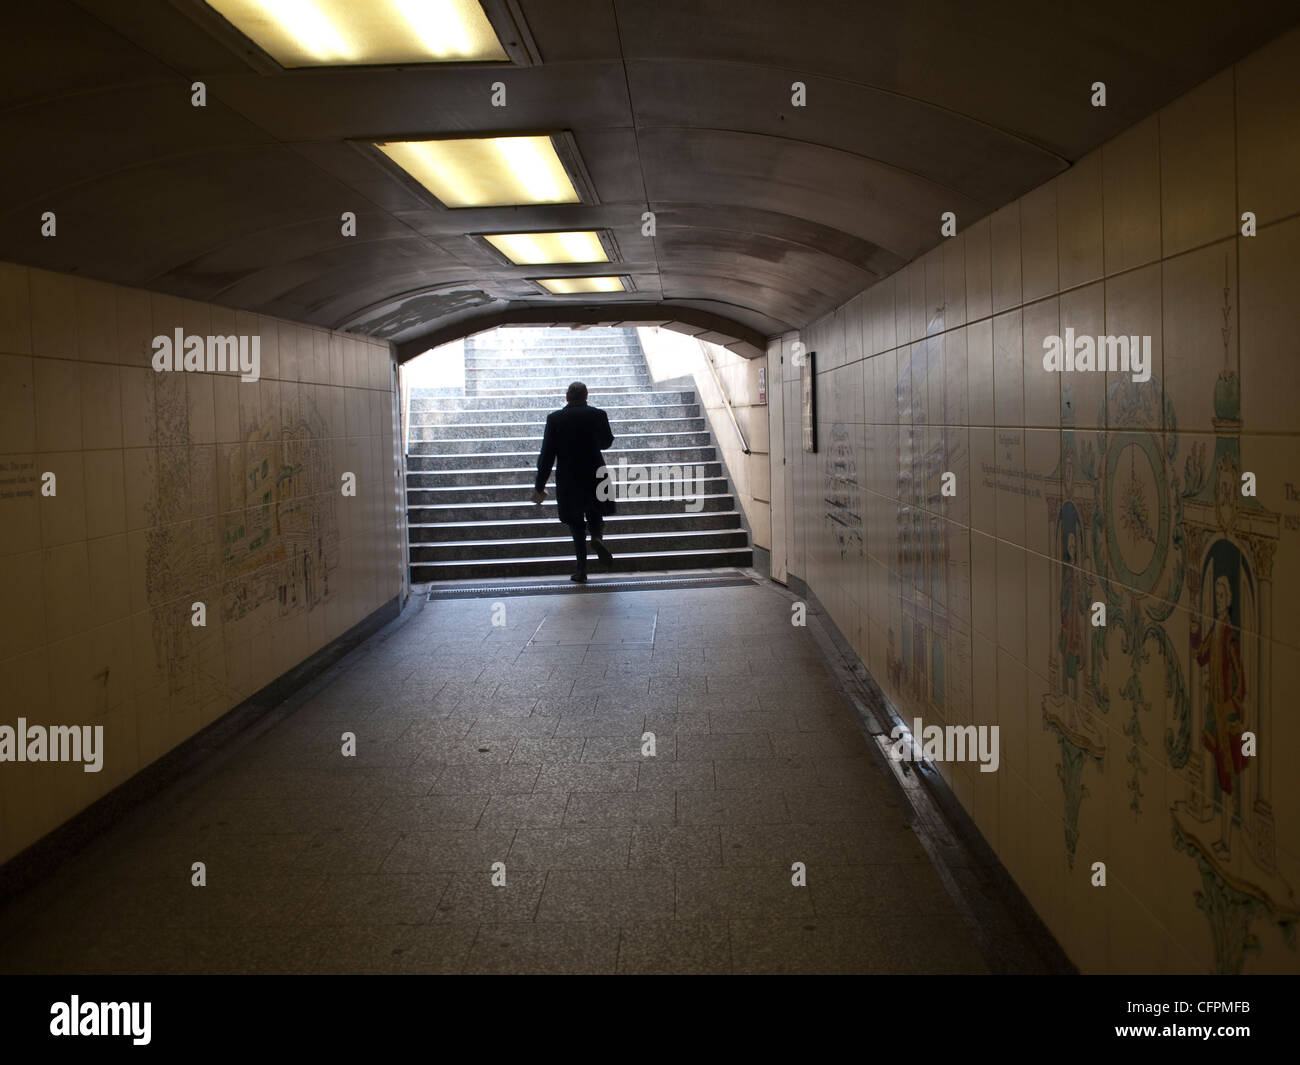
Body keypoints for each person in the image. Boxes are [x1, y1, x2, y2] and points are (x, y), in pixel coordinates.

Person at [532, 381, 616, 583]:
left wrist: (539, 484)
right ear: (586, 396)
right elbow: (606, 443)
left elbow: (547, 454)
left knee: (576, 524)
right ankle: (596, 537)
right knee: (596, 513)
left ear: (567, 397)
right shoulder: (598, 414)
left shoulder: (555, 419)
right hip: (595, 472)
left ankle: (581, 570)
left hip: (569, 477)